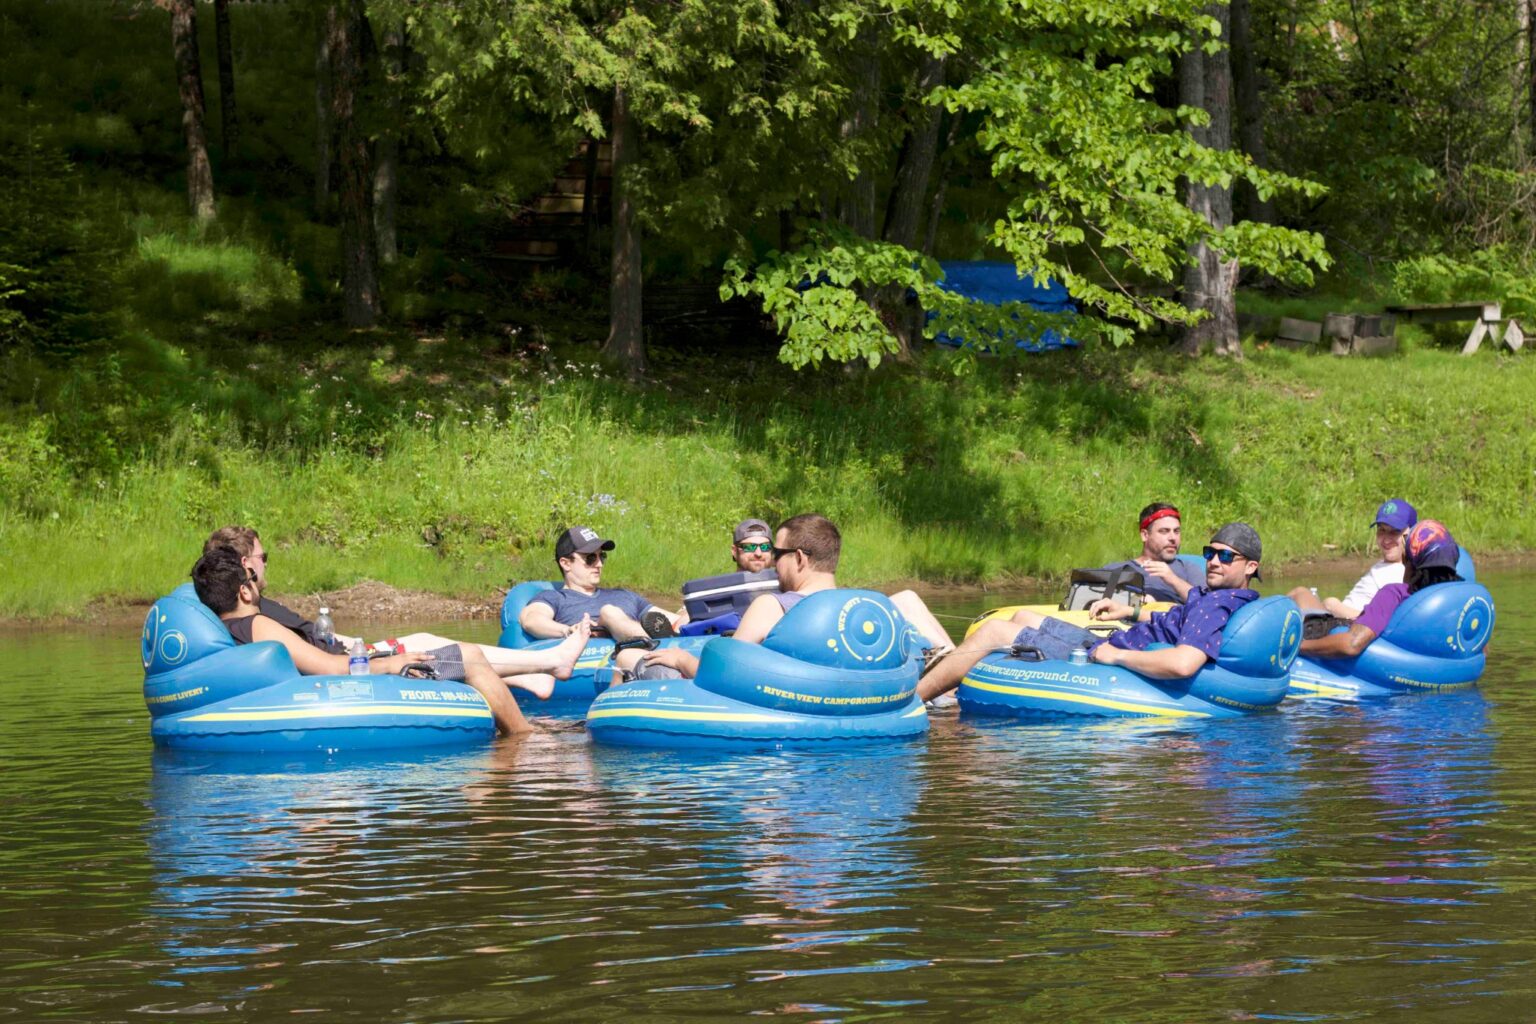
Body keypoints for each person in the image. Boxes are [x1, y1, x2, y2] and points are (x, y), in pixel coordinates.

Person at [192, 546, 534, 736]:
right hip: (345, 689)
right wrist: (390, 662)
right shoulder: (259, 625)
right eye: (252, 576)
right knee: (469, 654)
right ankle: (524, 738)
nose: (257, 581)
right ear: (244, 590)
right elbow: (328, 667)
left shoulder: (226, 632)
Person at [917, 522, 1266, 702]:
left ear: (1250, 566)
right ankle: (947, 682)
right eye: (1210, 553)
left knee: (994, 631)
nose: (1213, 562)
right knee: (1022, 617)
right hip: (1113, 641)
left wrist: (1114, 656)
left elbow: (1182, 664)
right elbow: (1174, 620)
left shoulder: (1217, 603)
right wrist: (1126, 611)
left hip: (1107, 655)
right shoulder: (1218, 597)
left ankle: (914, 700)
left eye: (1225, 557)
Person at [203, 525, 589, 685]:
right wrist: (376, 659)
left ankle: (524, 675)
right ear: (245, 568)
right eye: (263, 557)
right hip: (351, 669)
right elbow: (321, 664)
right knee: (434, 646)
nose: (267, 563)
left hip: (347, 652)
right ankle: (550, 662)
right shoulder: (253, 618)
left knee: (424, 640)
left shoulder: (253, 610)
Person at [639, 514, 953, 679]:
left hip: (789, 727)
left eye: (777, 552)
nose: (772, 561)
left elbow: (722, 673)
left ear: (800, 558)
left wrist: (681, 658)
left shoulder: (771, 605)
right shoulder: (864, 606)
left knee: (654, 669)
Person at [1299, 519, 1462, 660]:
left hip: (1344, 635)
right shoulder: (1460, 600)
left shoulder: (1395, 594)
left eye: (1405, 558)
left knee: (1300, 595)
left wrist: (1299, 647)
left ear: (1412, 563)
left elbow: (1352, 644)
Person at [1289, 498, 1415, 620]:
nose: (1386, 539)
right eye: (1381, 530)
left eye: (1394, 532)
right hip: (1339, 623)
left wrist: (1333, 607)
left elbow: (1381, 622)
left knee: (1300, 594)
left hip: (1347, 626)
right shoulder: (1388, 567)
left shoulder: (1401, 572)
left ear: (1411, 533)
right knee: (1301, 596)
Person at [1099, 502, 1206, 603]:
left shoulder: (1188, 569)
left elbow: (1207, 605)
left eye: (1176, 531)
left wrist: (1173, 580)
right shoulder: (1115, 570)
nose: (1173, 538)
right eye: (1164, 531)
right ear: (1145, 535)